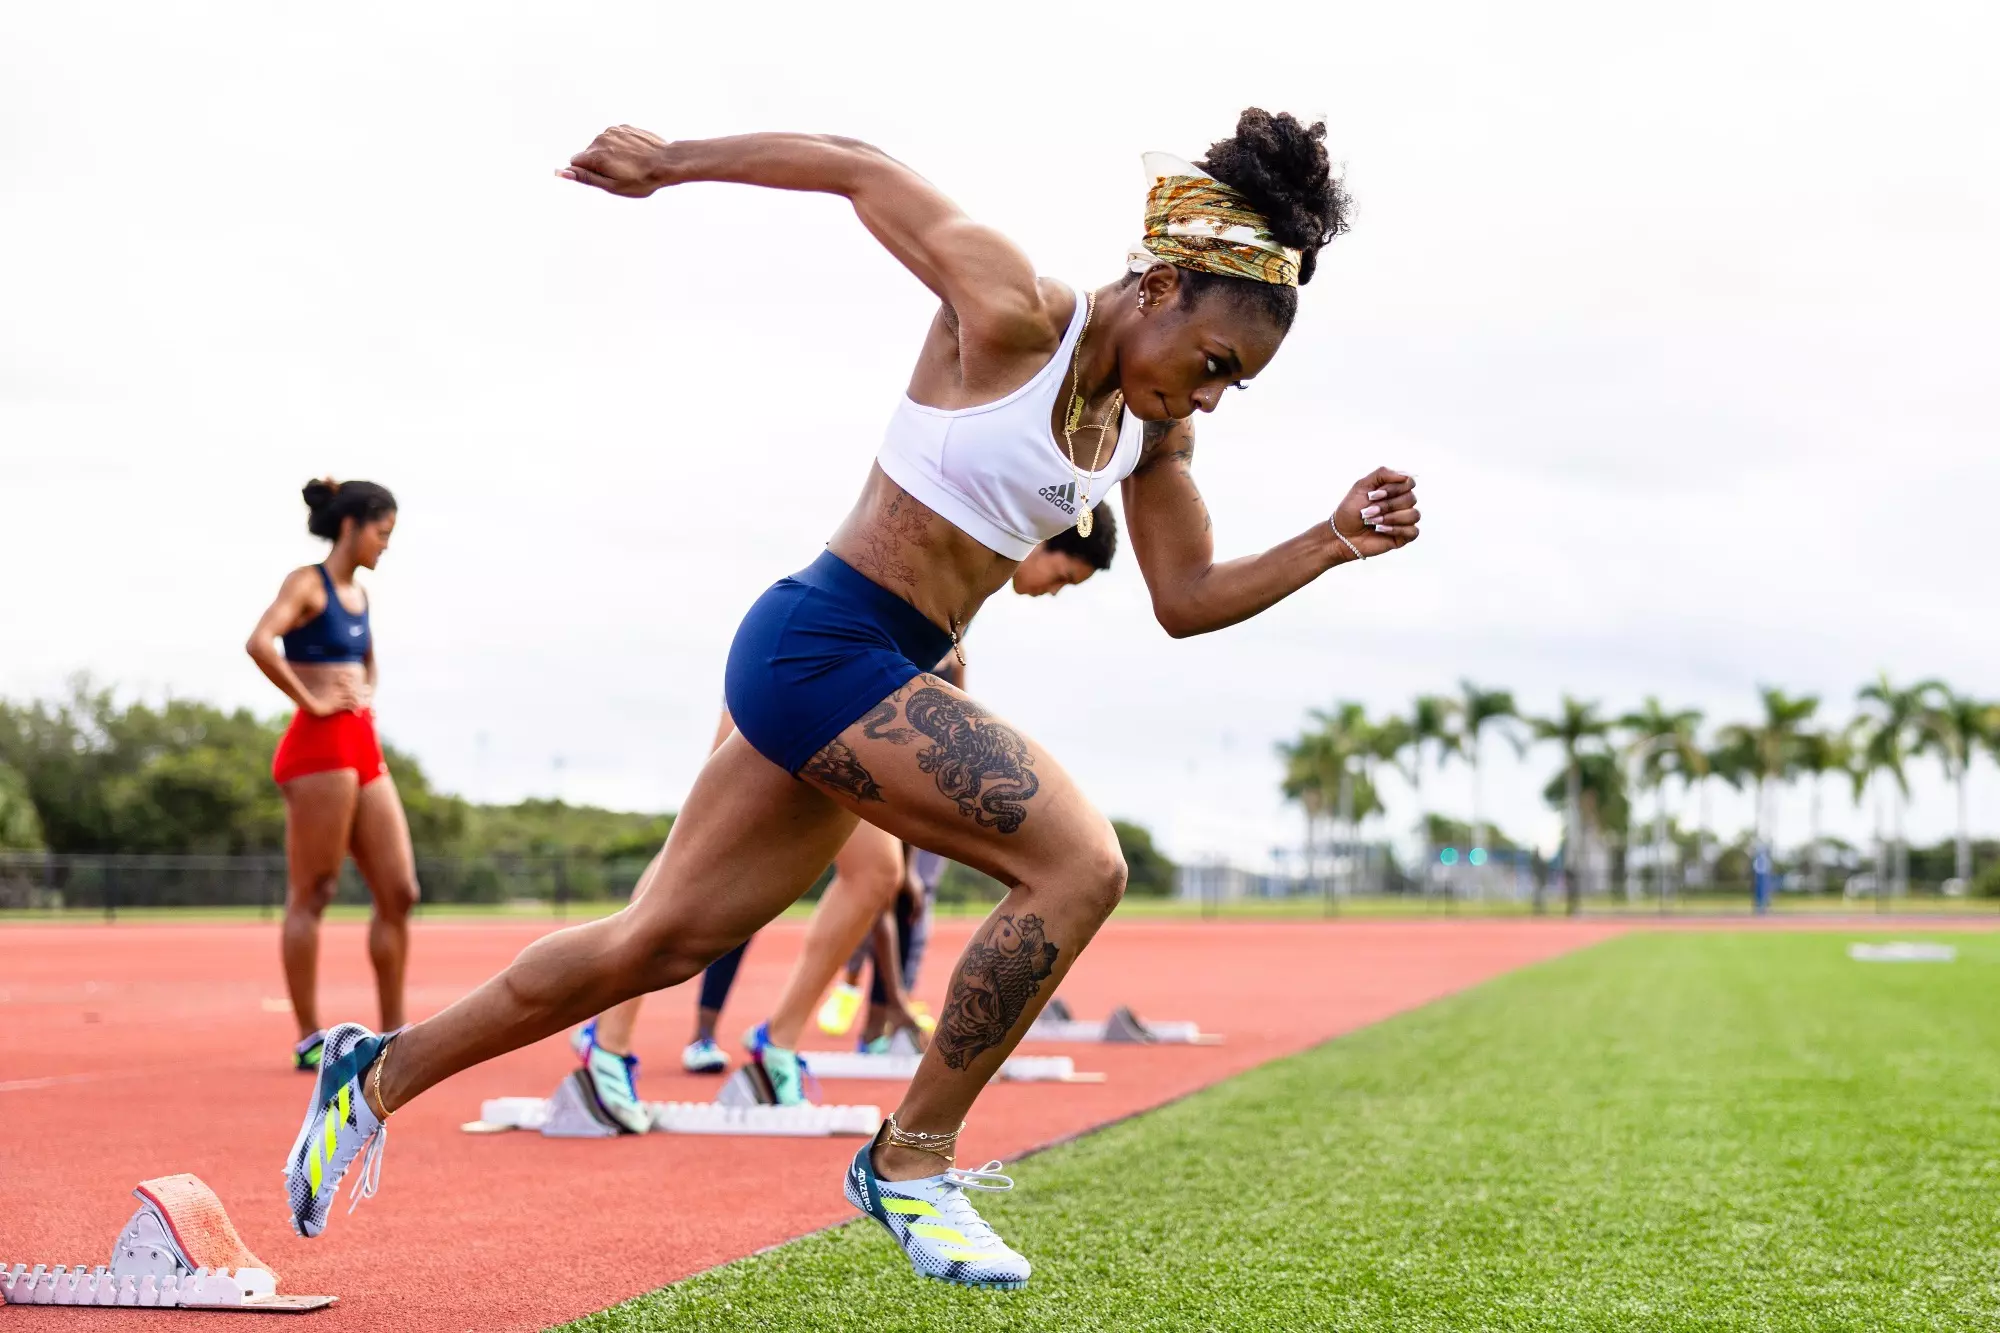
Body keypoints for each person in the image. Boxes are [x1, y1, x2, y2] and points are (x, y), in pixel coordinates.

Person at [285, 110, 1418, 1293]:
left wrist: (1330, 539)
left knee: (656, 942)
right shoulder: (1015, 313)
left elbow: (1184, 598)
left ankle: (376, 1072)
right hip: (821, 642)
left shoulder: (1150, 434)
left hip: (880, 672)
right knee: (1080, 865)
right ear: (1162, 287)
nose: (1212, 395)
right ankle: (909, 1160)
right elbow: (858, 169)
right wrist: (668, 165)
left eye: (1236, 384)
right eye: (1216, 362)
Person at [570, 518, 1117, 1129]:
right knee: (696, 857)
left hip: (854, 704)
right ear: (1044, 538)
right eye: (1062, 576)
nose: (1054, 592)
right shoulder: (979, 531)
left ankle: (776, 1043)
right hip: (799, 667)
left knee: (877, 873)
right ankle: (607, 1040)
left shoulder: (979, 585)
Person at [246, 480, 420, 1072]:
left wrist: (365, 688)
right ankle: (308, 1037)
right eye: (381, 532)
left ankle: (395, 1035)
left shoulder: (359, 594)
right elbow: (260, 642)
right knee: (315, 891)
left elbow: (367, 660)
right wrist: (313, 700)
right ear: (351, 527)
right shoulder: (307, 583)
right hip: (317, 749)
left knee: (399, 892)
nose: (385, 545)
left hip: (362, 744)